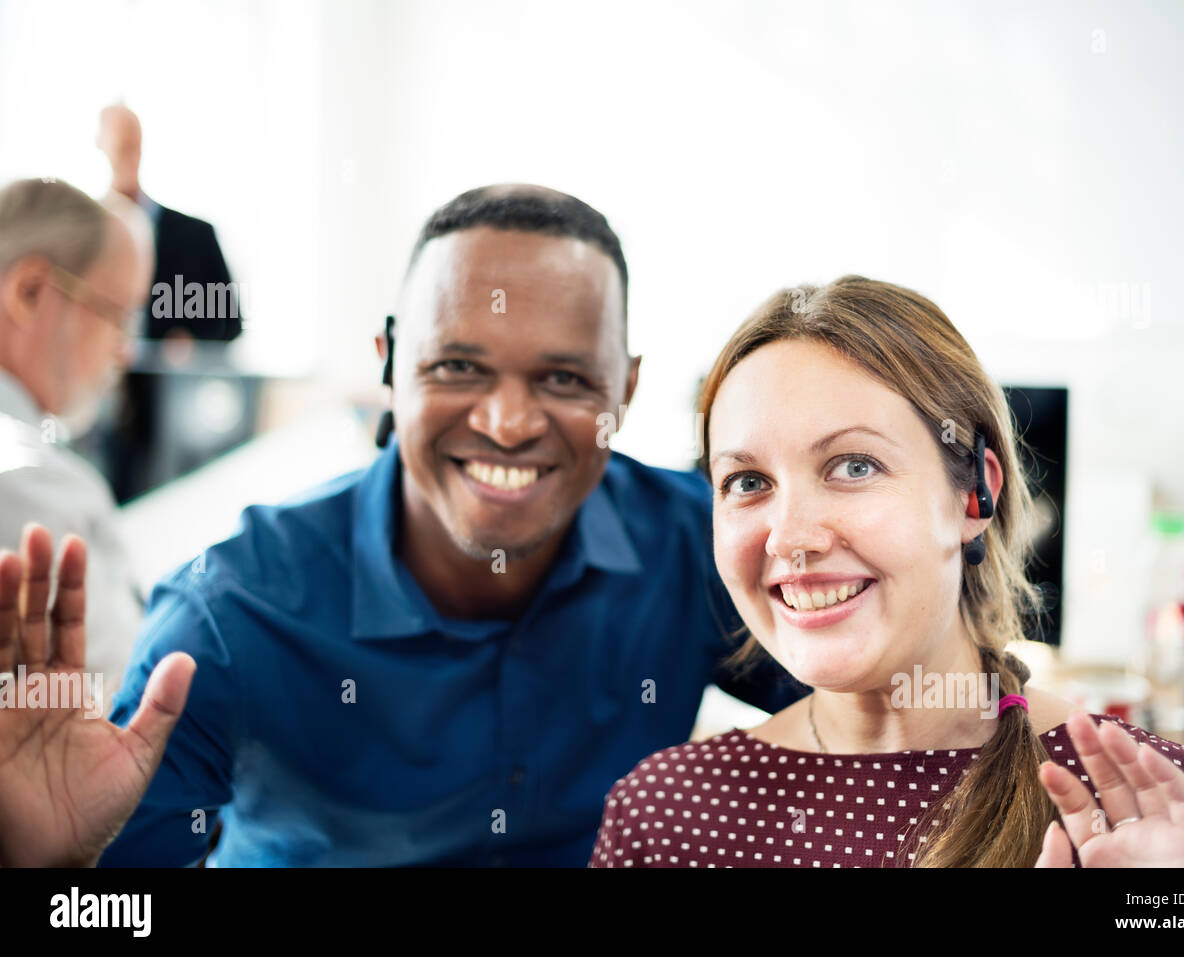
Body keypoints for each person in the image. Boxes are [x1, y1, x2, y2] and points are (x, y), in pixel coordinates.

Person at [0, 184, 800, 868]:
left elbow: (895, 726)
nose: (509, 422)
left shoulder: (698, 542)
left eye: (563, 377)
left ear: (623, 389)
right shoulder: (232, 617)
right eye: (458, 366)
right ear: (389, 364)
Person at [590, 276, 1184, 868]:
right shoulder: (663, 816)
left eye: (854, 466)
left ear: (975, 494)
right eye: (746, 480)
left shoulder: (1161, 809)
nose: (791, 536)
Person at [0, 177, 153, 698]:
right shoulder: (35, 489)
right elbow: (134, 683)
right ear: (30, 291)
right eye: (119, 316)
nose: (126, 351)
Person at [96, 103, 243, 503]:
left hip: (174, 411)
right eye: (117, 146)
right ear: (100, 149)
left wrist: (191, 342)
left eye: (132, 146)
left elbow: (230, 320)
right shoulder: (81, 240)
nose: (126, 156)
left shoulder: (193, 235)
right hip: (96, 413)